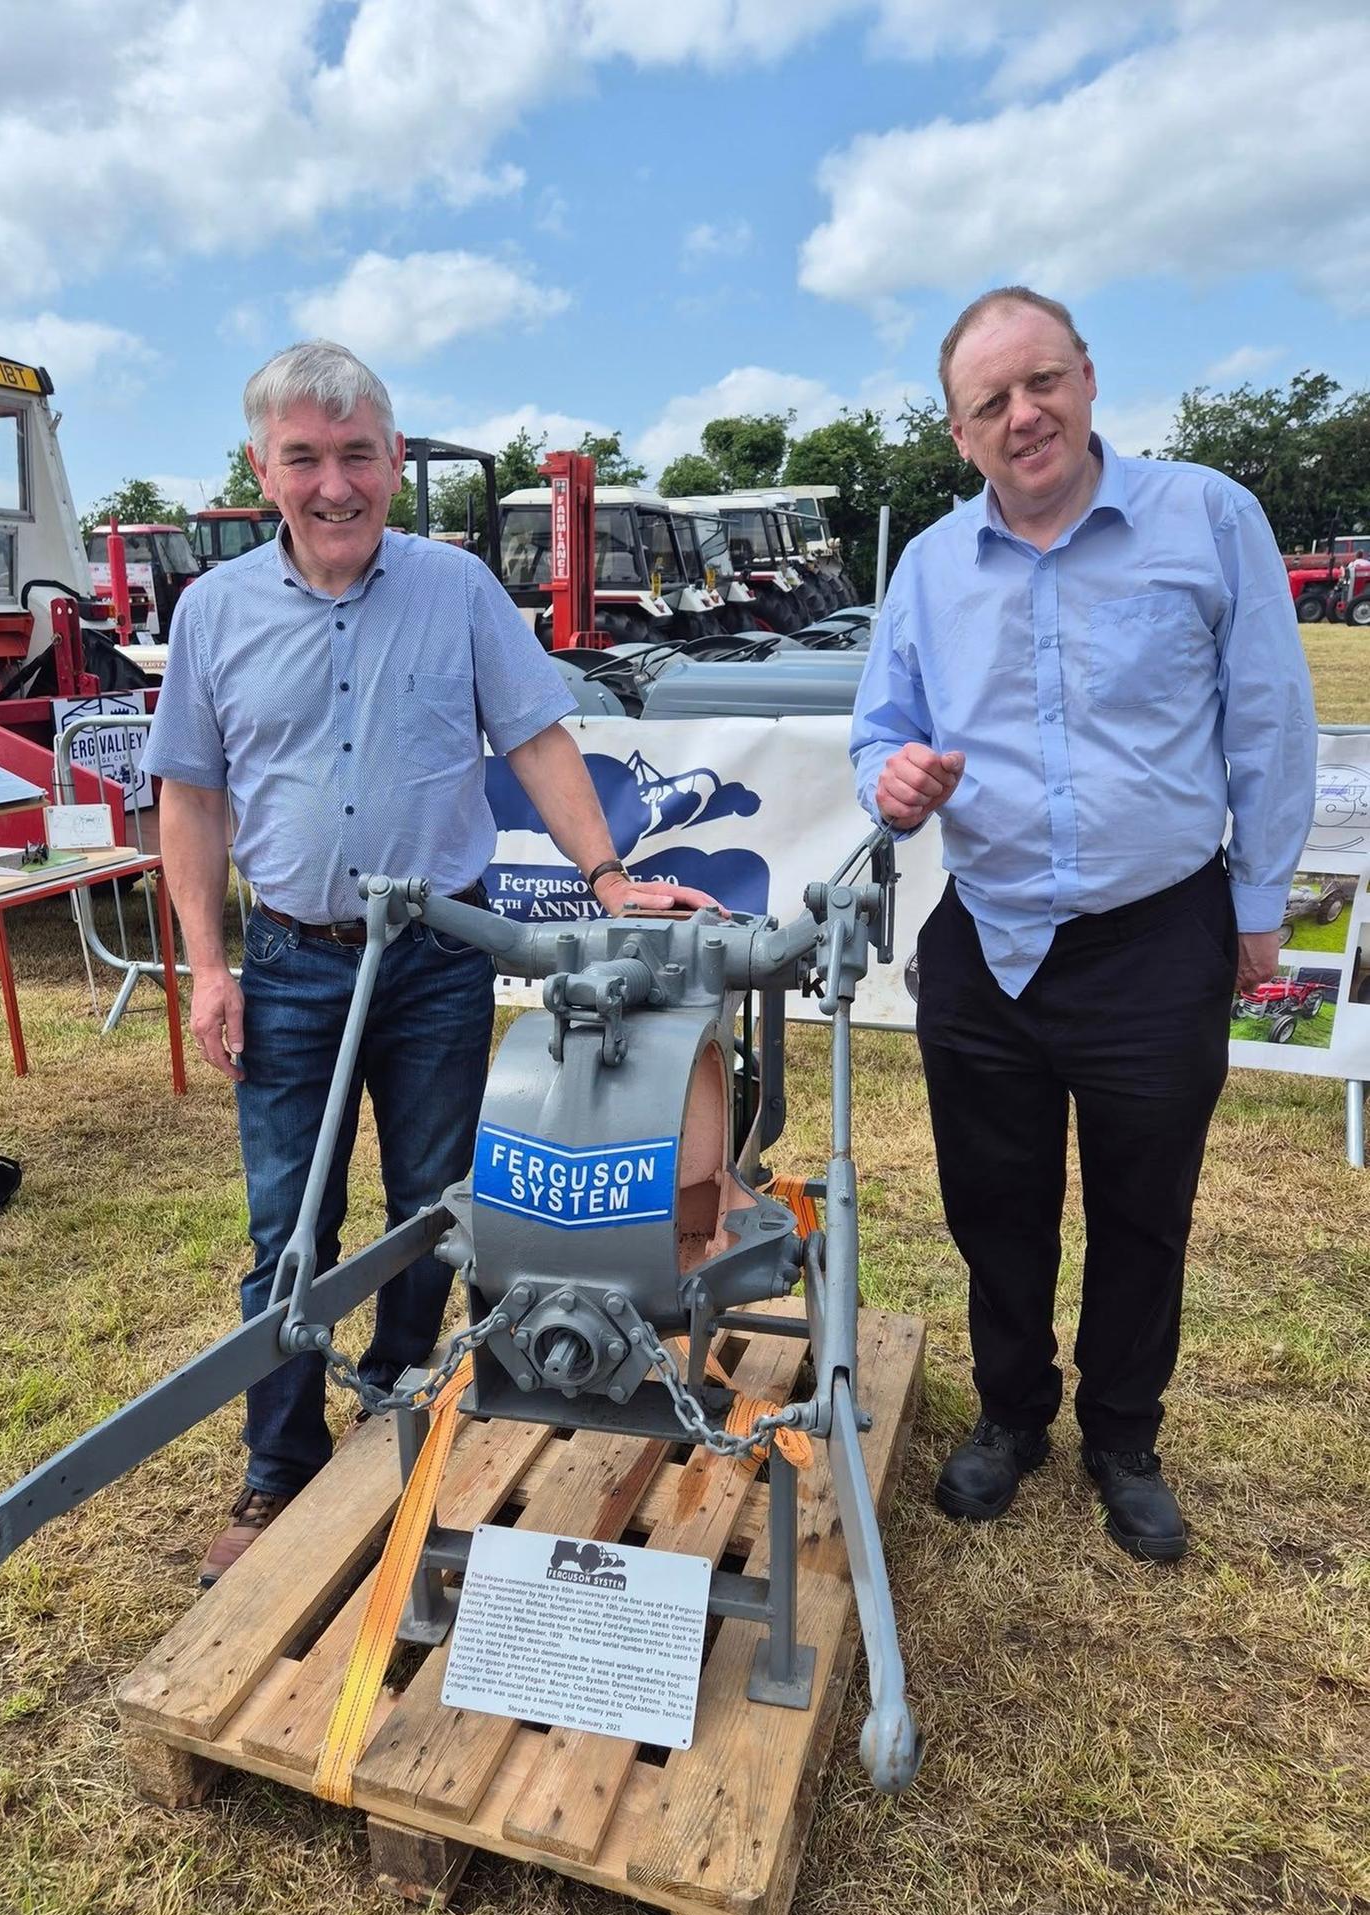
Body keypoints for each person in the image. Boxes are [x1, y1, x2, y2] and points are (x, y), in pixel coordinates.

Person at [144, 340, 714, 1585]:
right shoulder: (213, 612)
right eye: (305, 458)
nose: (333, 483)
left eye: (358, 456)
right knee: (284, 1230)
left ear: (395, 463)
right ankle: (278, 1468)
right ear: (263, 468)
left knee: (438, 1214)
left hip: (438, 960)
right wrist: (207, 963)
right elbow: (190, 798)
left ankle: (402, 1408)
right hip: (290, 960)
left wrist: (612, 875)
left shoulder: (458, 593)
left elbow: (540, 741)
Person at [850, 287, 1316, 1562]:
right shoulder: (931, 565)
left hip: (1156, 933)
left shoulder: (1208, 518)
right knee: (992, 1200)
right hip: (986, 939)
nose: (1024, 414)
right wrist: (889, 781)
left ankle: (1124, 1434)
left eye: (1041, 381)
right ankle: (1013, 1417)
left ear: (1090, 377)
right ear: (959, 434)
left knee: (1142, 1204)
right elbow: (880, 731)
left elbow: (1269, 721)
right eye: (989, 402)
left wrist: (1259, 909)